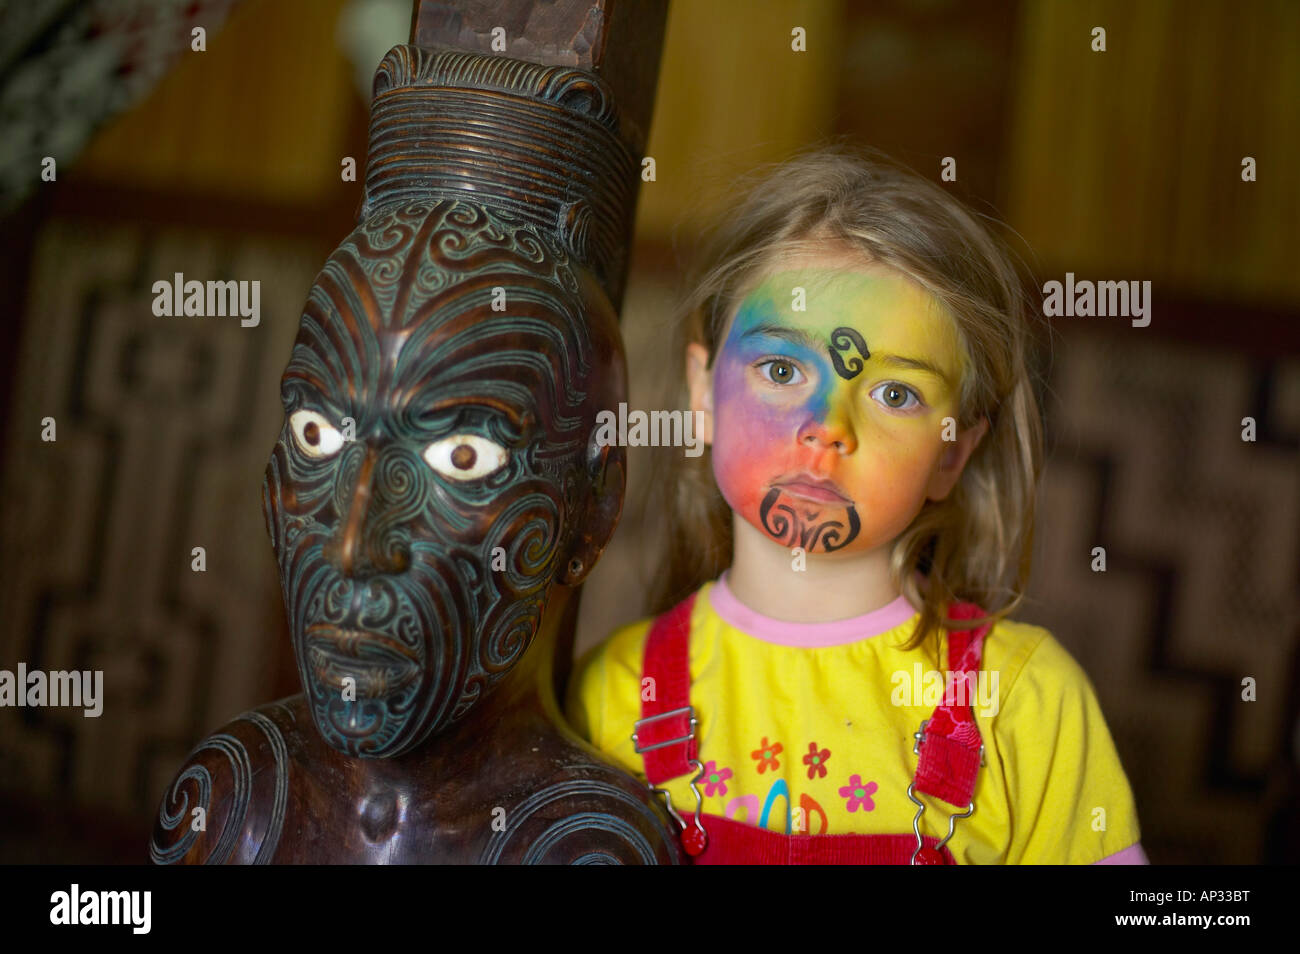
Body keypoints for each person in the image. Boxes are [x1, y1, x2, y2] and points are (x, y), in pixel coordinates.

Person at [565, 144, 1147, 864]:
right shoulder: (607, 694)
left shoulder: (1026, 701)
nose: (827, 428)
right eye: (781, 369)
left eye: (895, 394)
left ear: (952, 452)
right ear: (700, 390)